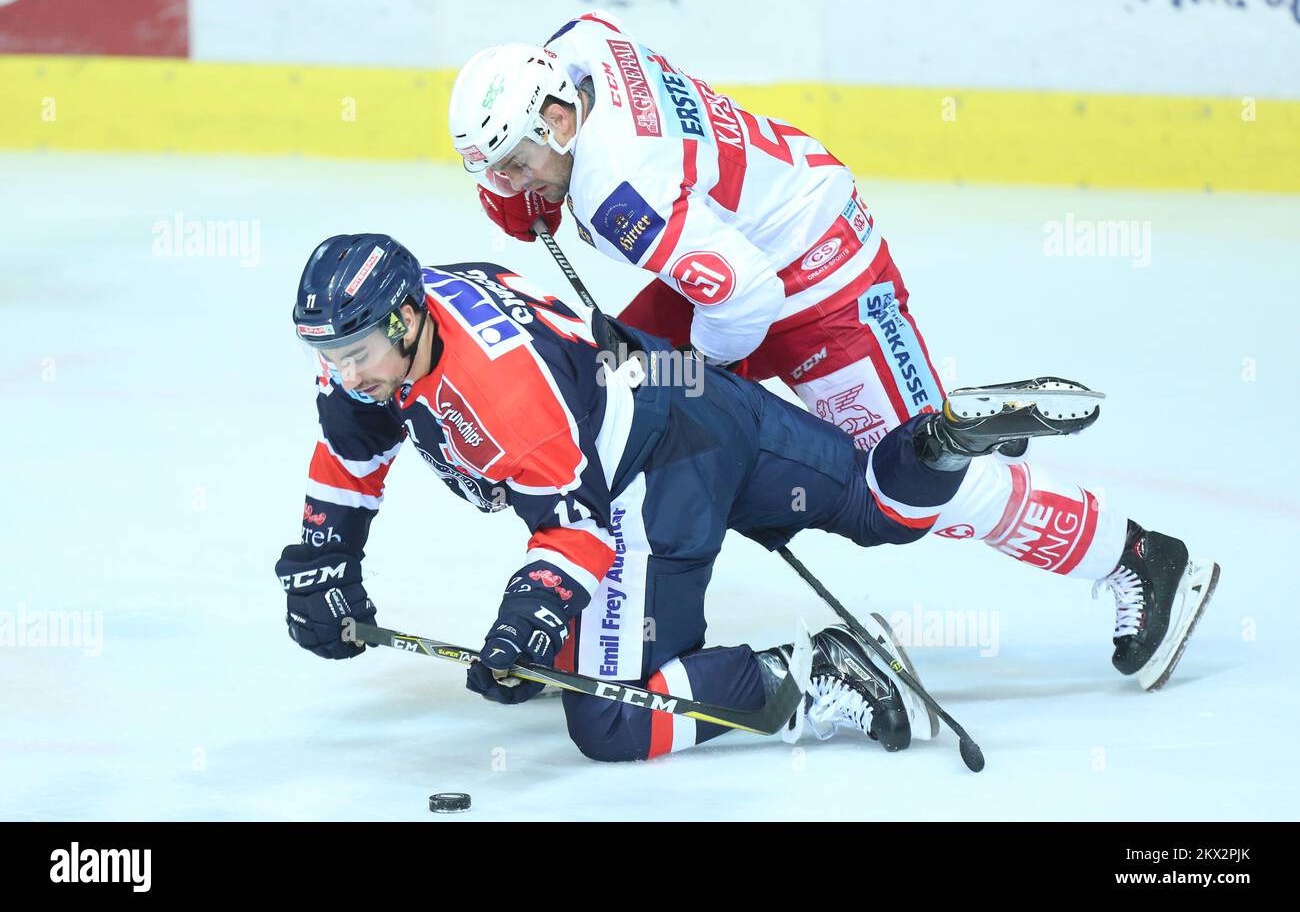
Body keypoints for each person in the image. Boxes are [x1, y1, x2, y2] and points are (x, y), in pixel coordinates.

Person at [275, 234, 1219, 762]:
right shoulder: (394, 344)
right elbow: (350, 452)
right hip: (690, 388)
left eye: (354, 352)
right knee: (879, 507)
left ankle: (822, 677)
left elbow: (575, 535)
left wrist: (525, 620)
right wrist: (325, 557)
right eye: (330, 356)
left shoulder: (505, 396)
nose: (344, 373)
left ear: (404, 320)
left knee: (607, 716)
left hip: (647, 479)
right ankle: (966, 460)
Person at [448, 10, 947, 454]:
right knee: (608, 386)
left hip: (817, 276)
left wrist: (692, 374)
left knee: (916, 478)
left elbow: (747, 296)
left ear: (558, 121)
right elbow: (574, 31)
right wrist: (523, 177)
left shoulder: (616, 193)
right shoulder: (583, 47)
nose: (511, 183)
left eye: (514, 164)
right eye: (497, 170)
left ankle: (1010, 480)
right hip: (757, 227)